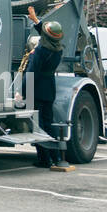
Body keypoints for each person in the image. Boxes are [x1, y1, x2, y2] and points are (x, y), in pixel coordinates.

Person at [29, 20, 65, 167]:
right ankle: (56, 156)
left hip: (36, 90)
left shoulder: (40, 51)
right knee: (48, 123)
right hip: (49, 89)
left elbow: (31, 73)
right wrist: (36, 21)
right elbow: (47, 37)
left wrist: (22, 92)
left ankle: (44, 159)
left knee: (38, 125)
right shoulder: (58, 49)